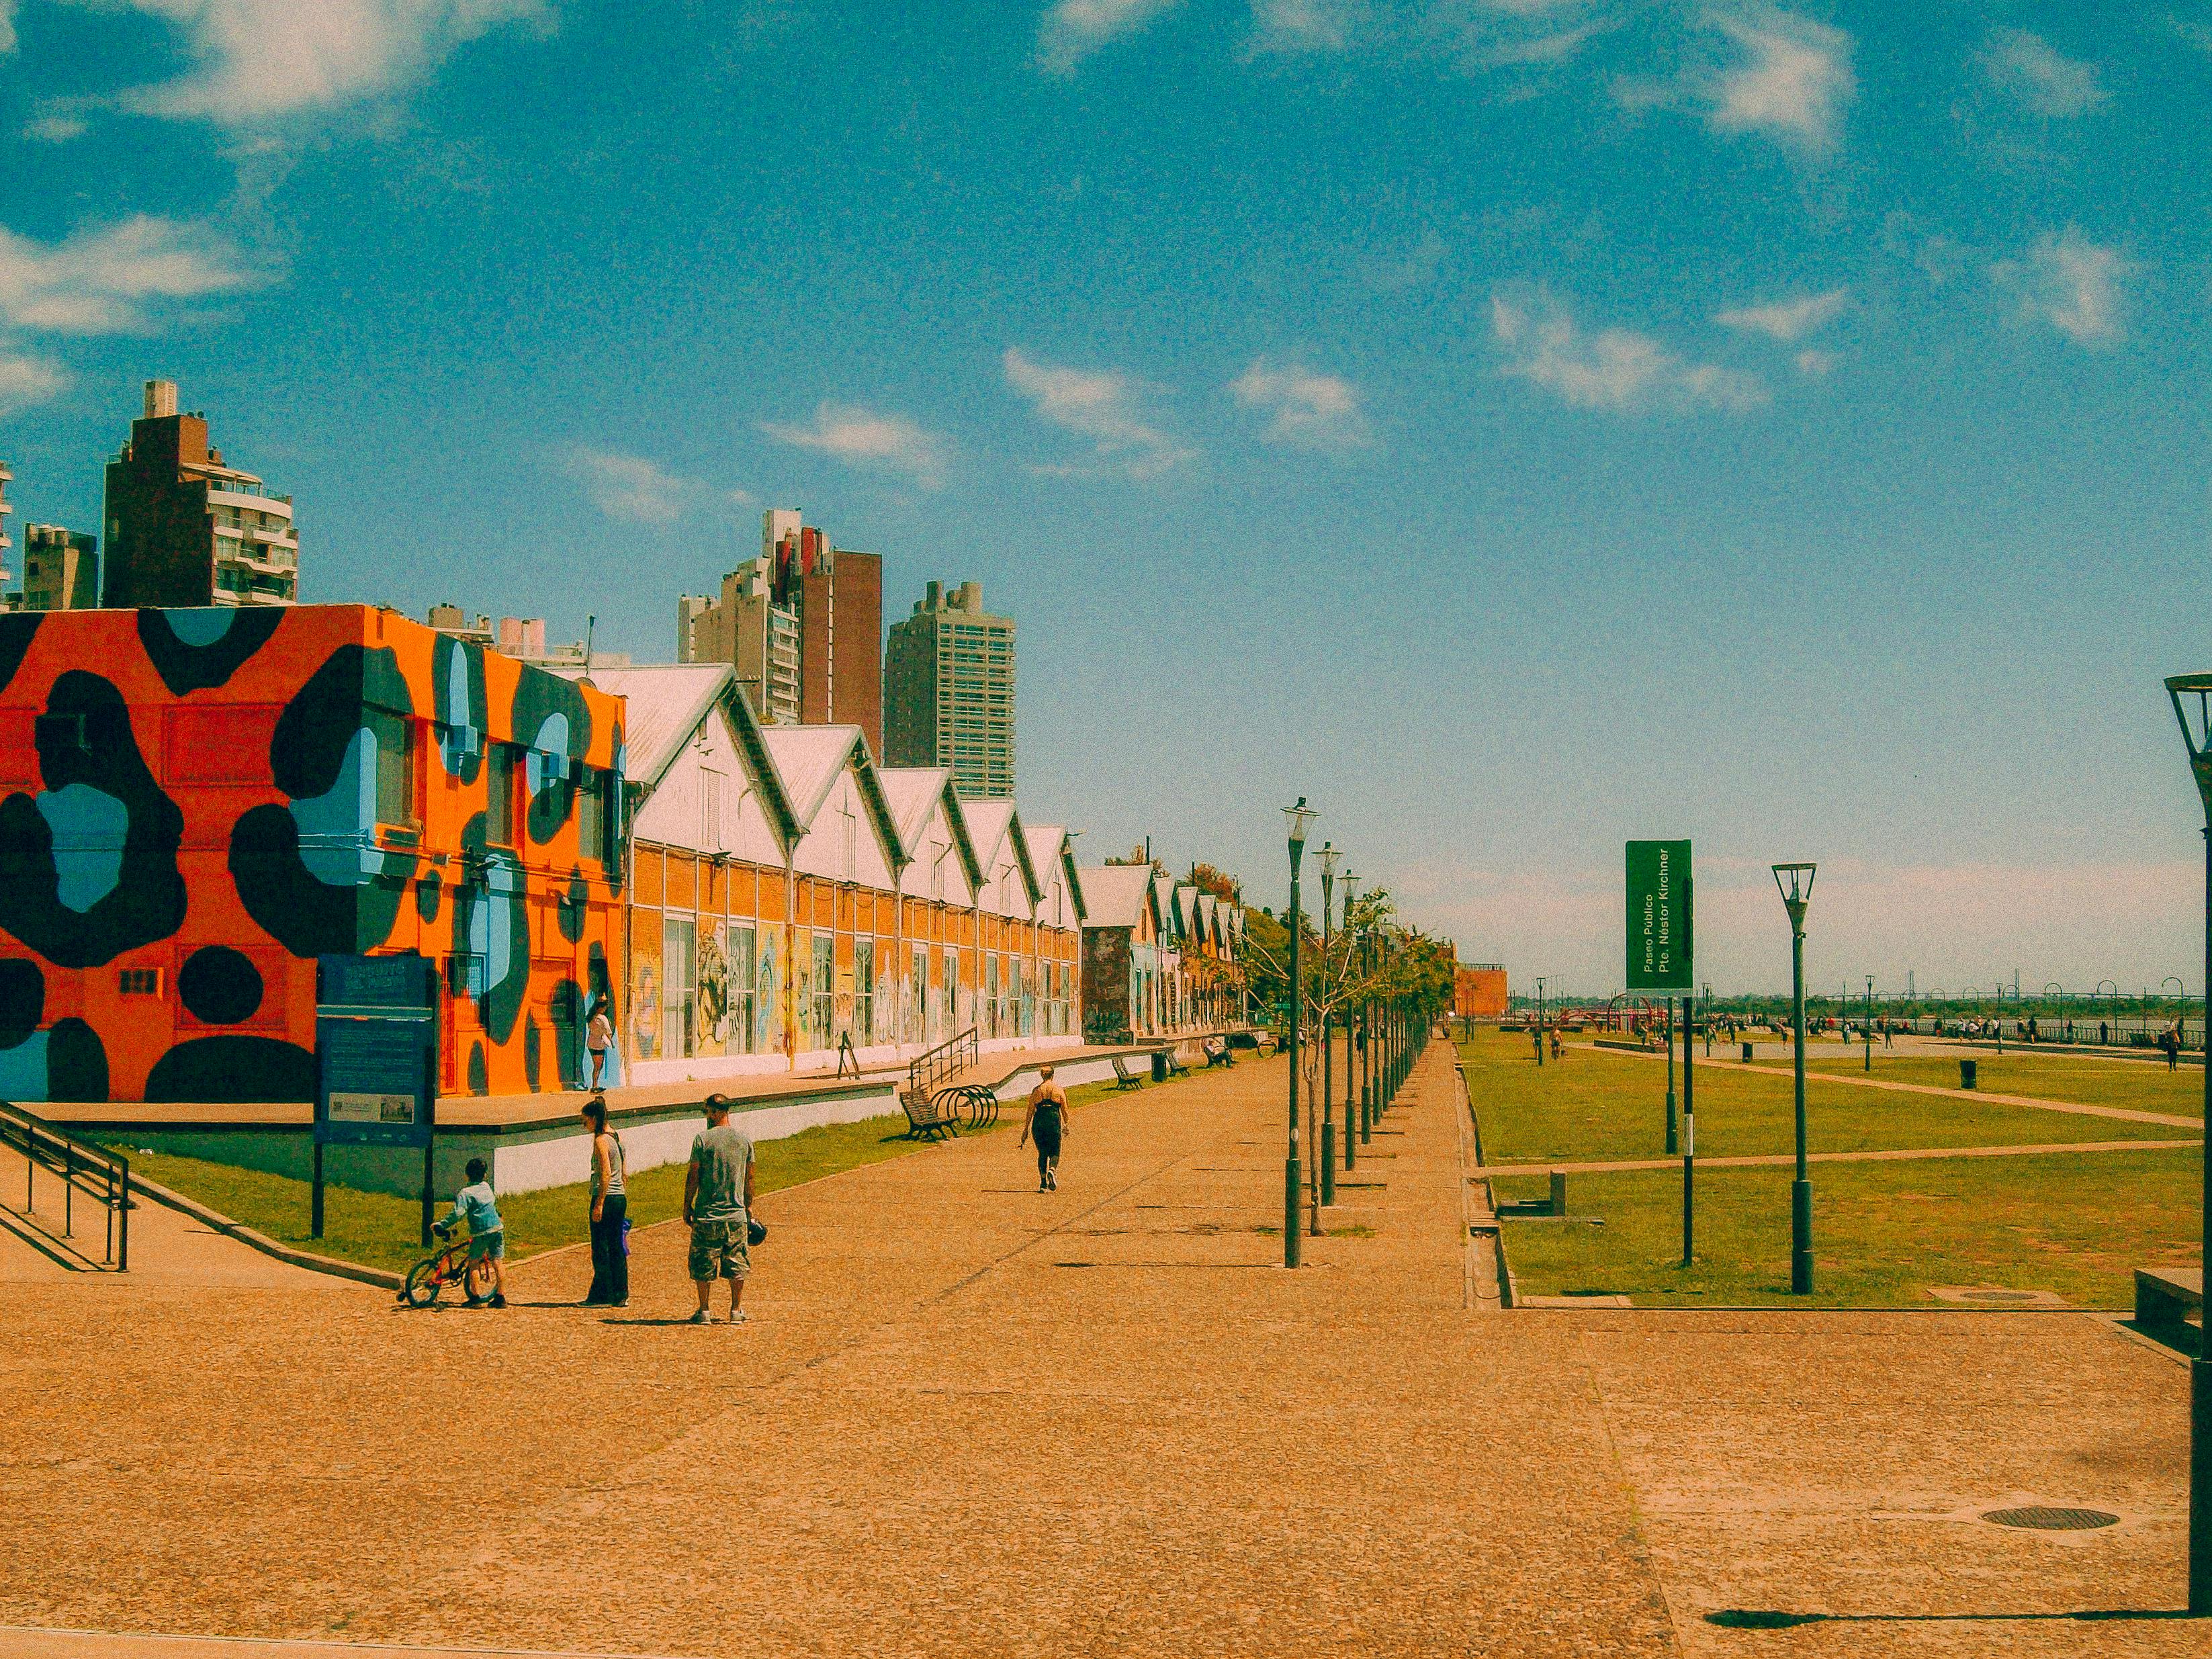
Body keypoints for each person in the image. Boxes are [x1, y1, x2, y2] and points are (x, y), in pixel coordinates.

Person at [683, 1093, 754, 1325]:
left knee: (703, 1263)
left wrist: (687, 1204)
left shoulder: (702, 1140)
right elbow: (750, 1178)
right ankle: (736, 1310)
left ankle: (704, 1310)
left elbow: (694, 1175)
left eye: (707, 1111)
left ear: (716, 1112)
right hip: (736, 1214)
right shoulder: (744, 1140)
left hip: (707, 1214)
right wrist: (748, 1206)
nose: (706, 1116)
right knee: (737, 1263)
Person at [435, 1157, 506, 1308]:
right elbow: (490, 1204)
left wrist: (442, 1224)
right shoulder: (486, 1187)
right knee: (498, 1262)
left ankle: (475, 1298)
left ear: (466, 1175)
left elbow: (458, 1213)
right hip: (497, 1229)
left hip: (480, 1233)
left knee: (474, 1263)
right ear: (484, 1175)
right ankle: (501, 1297)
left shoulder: (465, 1193)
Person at [580, 1095, 627, 1308]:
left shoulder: (601, 1141)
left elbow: (606, 1173)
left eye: (585, 1122)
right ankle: (620, 1292)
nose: (584, 1126)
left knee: (601, 1247)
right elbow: (623, 1169)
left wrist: (599, 1203)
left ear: (594, 1119)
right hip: (619, 1197)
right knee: (617, 1246)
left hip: (606, 1197)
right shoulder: (616, 1136)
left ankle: (602, 1294)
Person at [1018, 1065, 1069, 1192]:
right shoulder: (1058, 1089)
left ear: (1042, 1075)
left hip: (1039, 1121)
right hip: (1053, 1120)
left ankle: (1043, 1183)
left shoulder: (1036, 1090)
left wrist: (1026, 1129)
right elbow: (1064, 1108)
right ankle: (1052, 1170)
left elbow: (1030, 1110)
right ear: (1053, 1075)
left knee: (1042, 1153)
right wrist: (1066, 1124)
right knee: (1055, 1150)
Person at [586, 997, 614, 1090]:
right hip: (599, 1044)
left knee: (596, 1066)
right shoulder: (603, 1018)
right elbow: (608, 1031)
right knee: (598, 1067)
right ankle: (595, 1085)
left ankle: (595, 1084)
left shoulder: (591, 1017)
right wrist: (610, 1041)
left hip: (591, 1043)